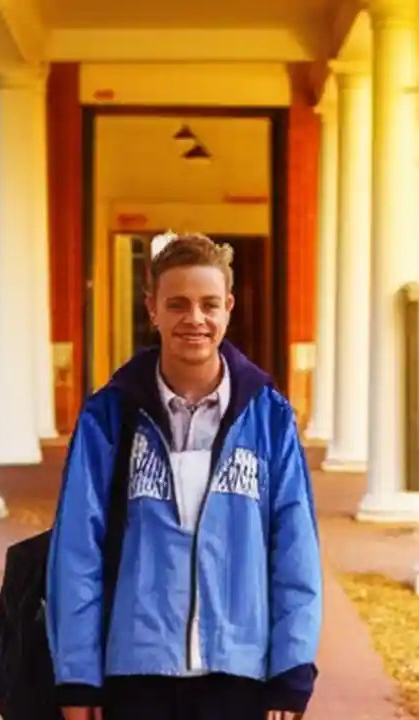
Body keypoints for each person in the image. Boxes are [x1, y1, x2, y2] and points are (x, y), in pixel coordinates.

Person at [45, 232, 323, 720]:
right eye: (177, 304)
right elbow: (77, 550)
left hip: (239, 671)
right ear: (152, 308)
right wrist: (78, 677)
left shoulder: (270, 417)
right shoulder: (108, 417)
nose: (195, 318)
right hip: (136, 672)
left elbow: (294, 549)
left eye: (209, 304)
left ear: (228, 308)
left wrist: (291, 668)